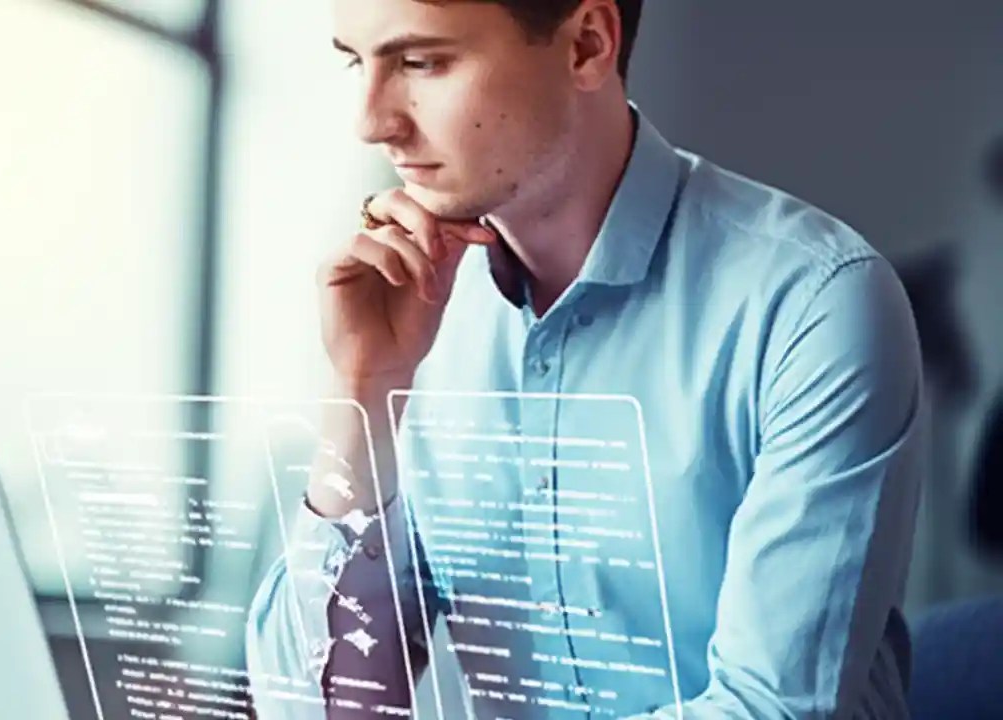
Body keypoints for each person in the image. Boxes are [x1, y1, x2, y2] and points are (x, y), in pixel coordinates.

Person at [246, 0, 925, 717]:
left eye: (422, 62)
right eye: (357, 61)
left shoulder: (812, 305)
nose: (372, 121)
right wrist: (365, 387)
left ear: (587, 45)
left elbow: (773, 711)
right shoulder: (417, 306)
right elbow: (314, 704)